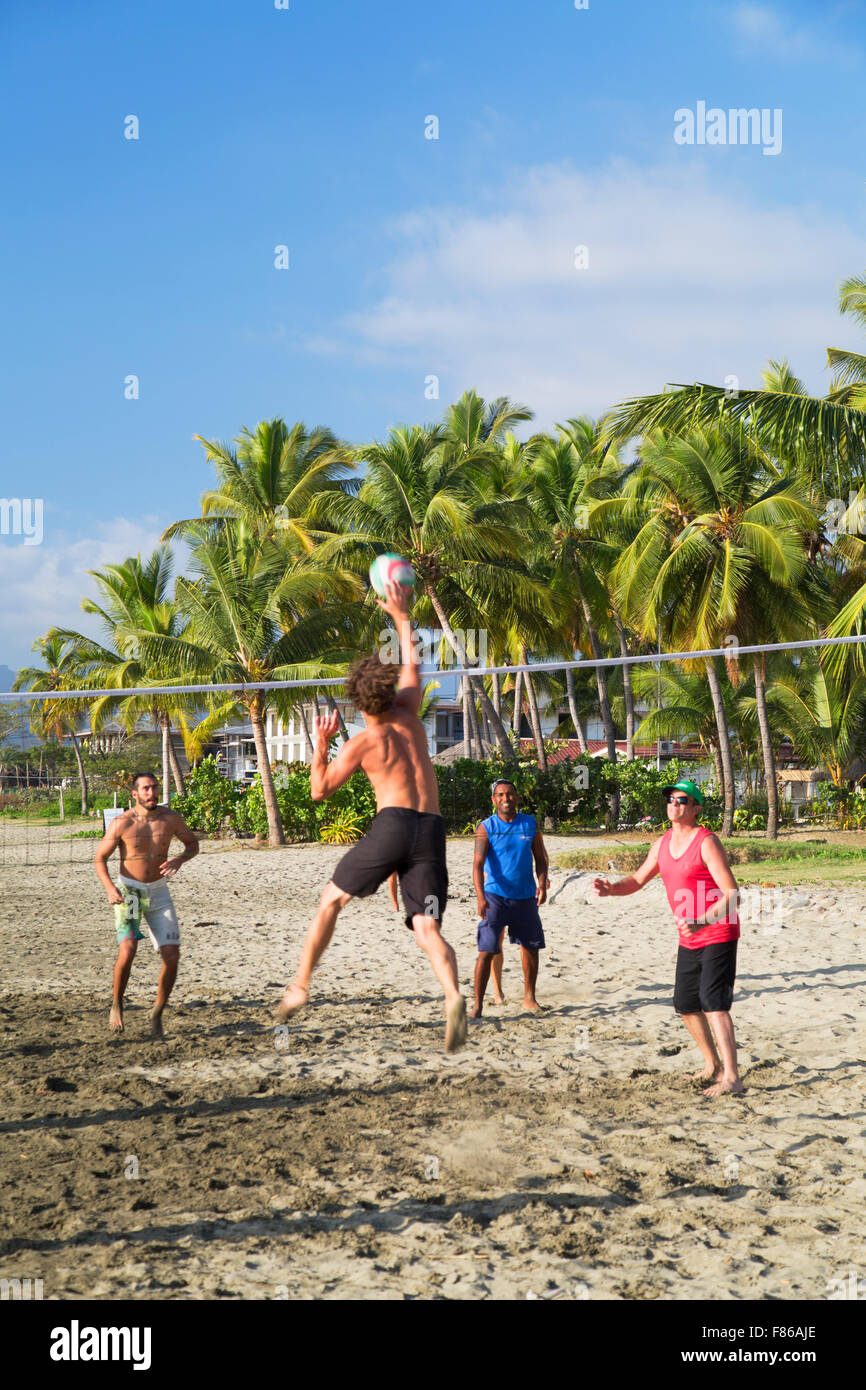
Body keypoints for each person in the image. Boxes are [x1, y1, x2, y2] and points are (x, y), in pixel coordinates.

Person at [275, 580, 467, 1053]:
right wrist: (402, 615)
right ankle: (453, 996)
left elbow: (319, 791)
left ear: (359, 703)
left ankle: (300, 985)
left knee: (330, 901)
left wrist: (321, 745)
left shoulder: (363, 742)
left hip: (394, 824)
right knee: (427, 927)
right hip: (433, 828)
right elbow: (413, 659)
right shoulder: (410, 713)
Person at [593, 778, 743, 1097]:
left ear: (696, 808)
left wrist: (702, 920)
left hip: (718, 929)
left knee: (713, 1003)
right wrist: (611, 889)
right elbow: (637, 879)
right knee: (686, 1005)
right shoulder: (661, 844)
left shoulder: (706, 842)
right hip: (689, 935)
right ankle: (711, 1065)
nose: (675, 804)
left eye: (683, 800)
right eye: (671, 799)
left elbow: (733, 895)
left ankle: (732, 1076)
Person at [94, 771, 199, 1037]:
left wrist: (179, 859)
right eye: (146, 789)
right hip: (130, 892)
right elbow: (99, 858)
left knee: (172, 956)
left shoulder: (170, 818)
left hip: (159, 893)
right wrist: (109, 888)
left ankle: (157, 1012)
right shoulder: (121, 823)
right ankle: (117, 1004)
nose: (151, 793)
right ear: (134, 794)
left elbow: (192, 844)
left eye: (154, 787)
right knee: (128, 951)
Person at [471, 779, 549, 1018]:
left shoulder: (529, 823)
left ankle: (529, 998)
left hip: (525, 897)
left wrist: (542, 882)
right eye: (501, 795)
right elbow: (477, 864)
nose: (506, 799)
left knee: (531, 947)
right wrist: (480, 897)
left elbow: (541, 858)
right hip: (495, 897)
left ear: (517, 797)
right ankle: (478, 1006)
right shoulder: (486, 827)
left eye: (510, 794)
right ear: (494, 800)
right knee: (487, 949)